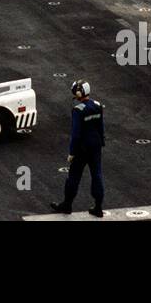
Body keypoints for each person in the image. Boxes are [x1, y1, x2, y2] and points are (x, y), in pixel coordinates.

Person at [50, 80, 106, 217]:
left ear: (78, 93)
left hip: (82, 148)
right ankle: (98, 207)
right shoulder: (98, 106)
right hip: (96, 146)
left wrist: (72, 152)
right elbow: (101, 127)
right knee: (97, 176)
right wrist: (101, 143)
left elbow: (76, 134)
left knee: (73, 177)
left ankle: (67, 205)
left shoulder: (78, 110)